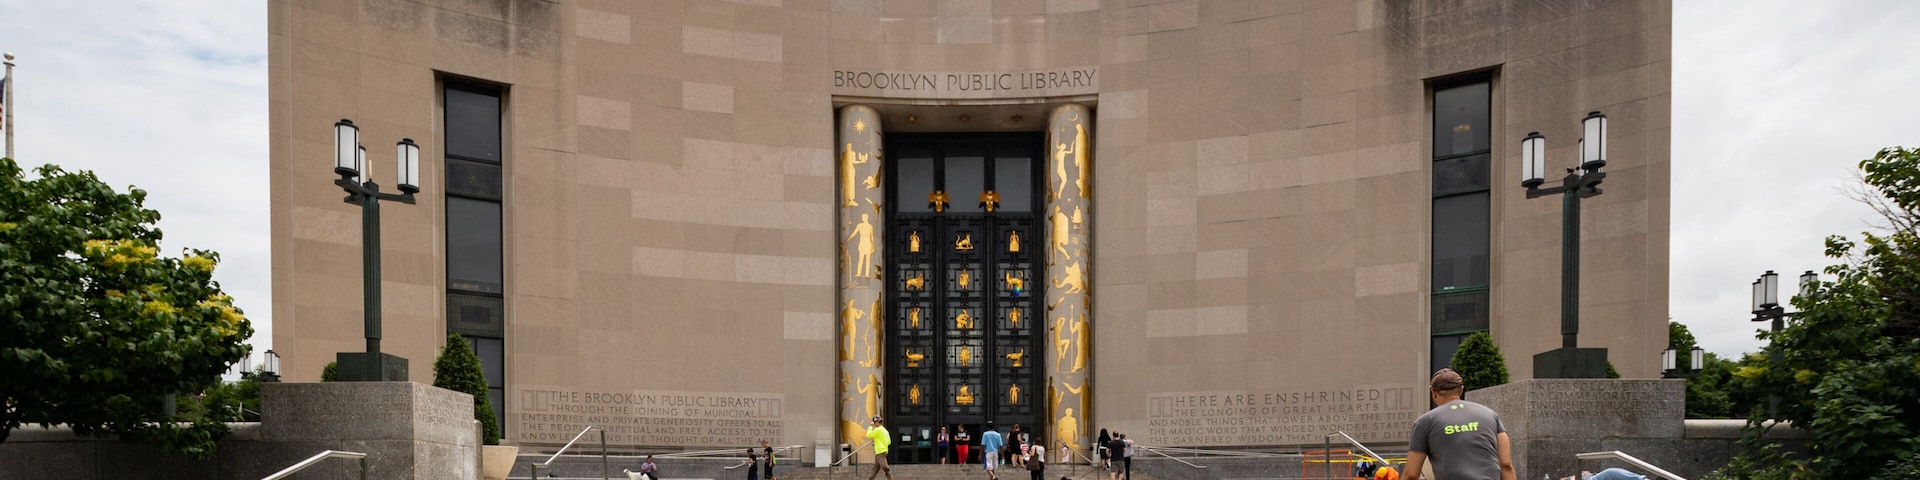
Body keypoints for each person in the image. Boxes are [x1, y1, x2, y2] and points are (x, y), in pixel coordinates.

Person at [1402, 368, 1515, 480]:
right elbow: (1506, 464)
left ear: (1433, 393)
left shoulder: (1425, 422)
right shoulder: (1490, 414)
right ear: (1461, 389)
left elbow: (1411, 474)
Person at [865, 416, 894, 480]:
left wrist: (870, 426)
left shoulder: (878, 430)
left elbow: (868, 435)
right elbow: (889, 442)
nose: (874, 424)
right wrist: (877, 441)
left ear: (877, 422)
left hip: (880, 452)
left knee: (885, 468)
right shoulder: (885, 430)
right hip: (884, 451)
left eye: (874, 422)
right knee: (875, 469)